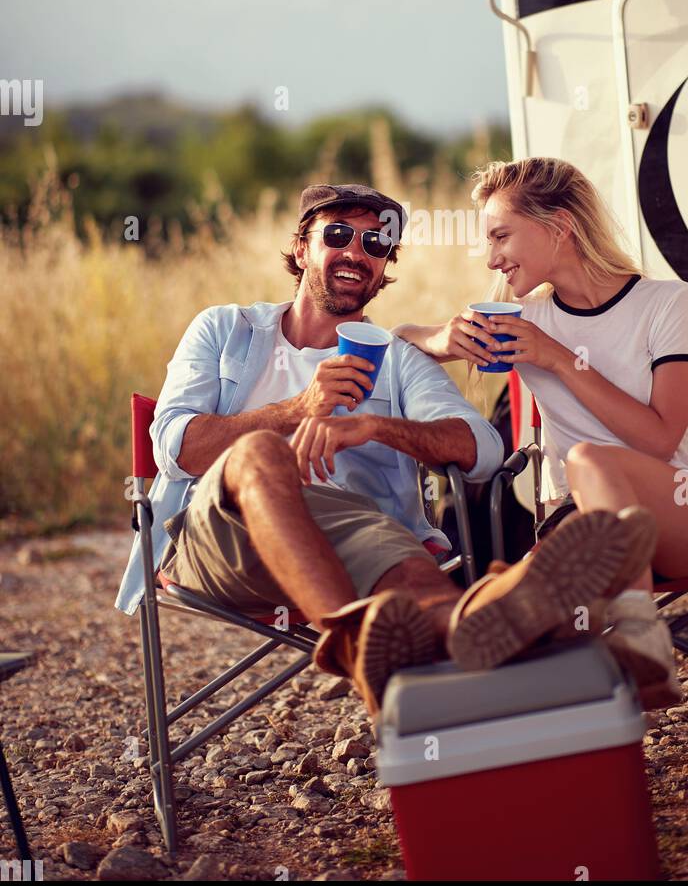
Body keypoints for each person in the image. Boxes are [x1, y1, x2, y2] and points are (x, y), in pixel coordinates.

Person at [116, 181, 656, 714]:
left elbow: (483, 449)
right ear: (302, 248)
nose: (357, 252)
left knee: (418, 584)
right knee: (263, 453)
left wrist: (377, 426)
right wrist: (297, 409)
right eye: (339, 235)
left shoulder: (395, 359)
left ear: (384, 268)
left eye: (377, 244)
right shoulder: (225, 330)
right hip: (221, 540)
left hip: (352, 536)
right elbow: (175, 448)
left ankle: (497, 652)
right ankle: (383, 635)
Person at [394, 157, 688, 710]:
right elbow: (398, 339)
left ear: (559, 226)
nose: (491, 258)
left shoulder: (667, 303)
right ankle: (469, 678)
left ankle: (638, 633)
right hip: (587, 531)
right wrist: (442, 338)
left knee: (590, 462)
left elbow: (658, 438)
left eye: (501, 236)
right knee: (525, 592)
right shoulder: (521, 318)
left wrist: (559, 360)